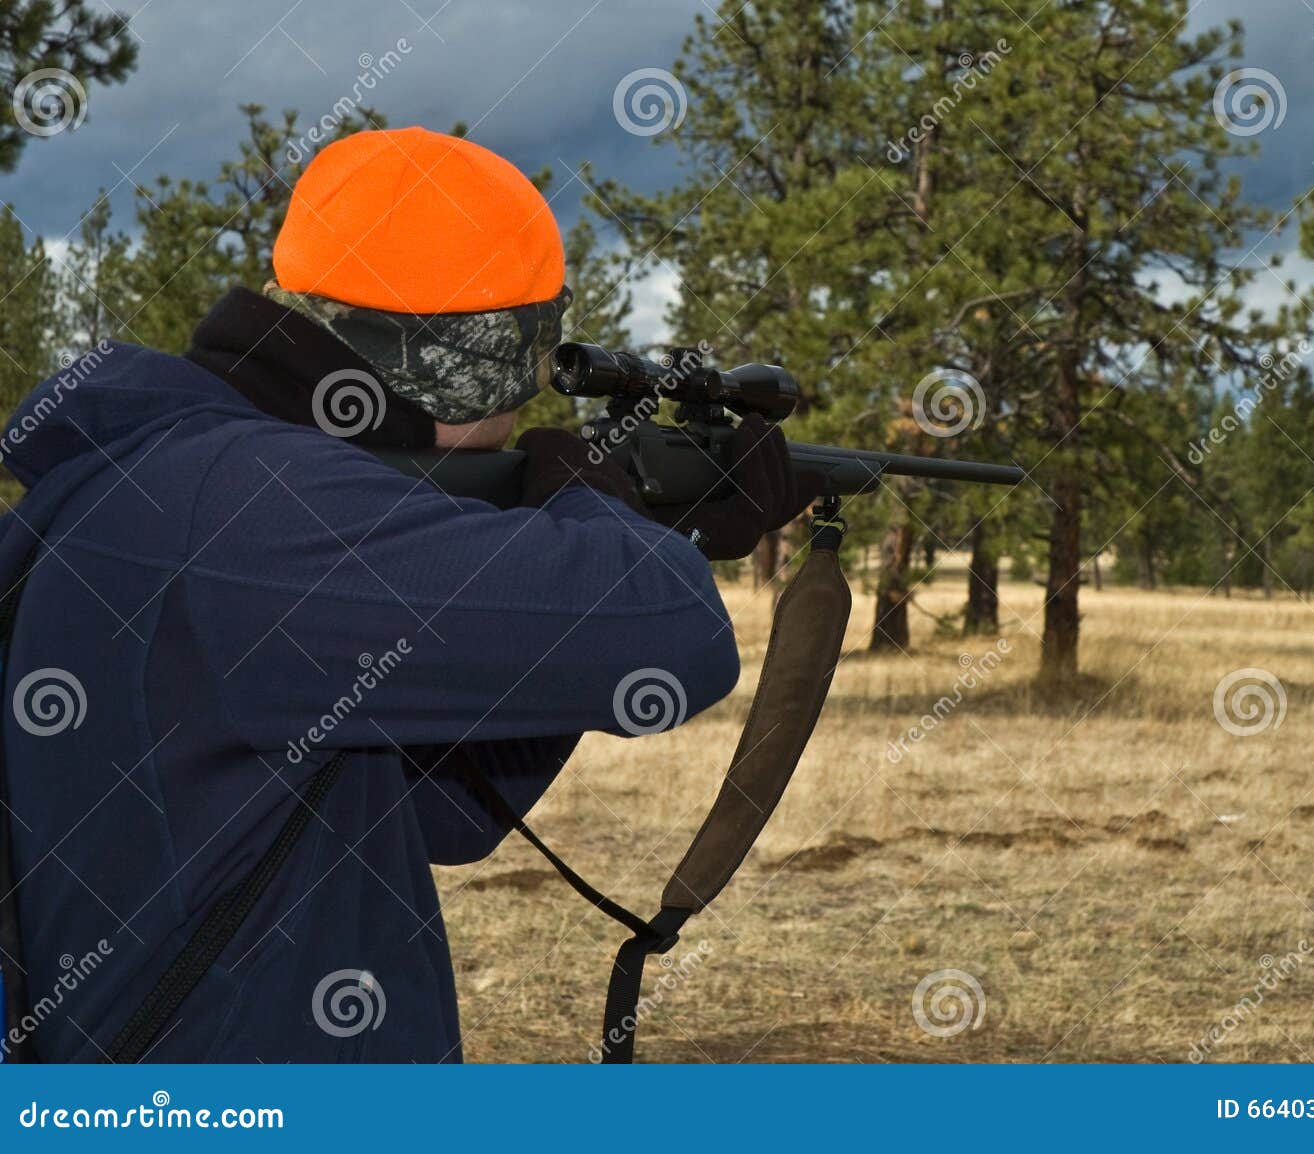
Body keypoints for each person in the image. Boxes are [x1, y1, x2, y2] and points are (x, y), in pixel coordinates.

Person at [0, 127, 815, 1062]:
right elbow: (674, 640)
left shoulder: (179, 475)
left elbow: (439, 814)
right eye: (519, 374)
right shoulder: (256, 511)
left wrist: (629, 525)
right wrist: (596, 508)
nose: (521, 415)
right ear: (460, 364)